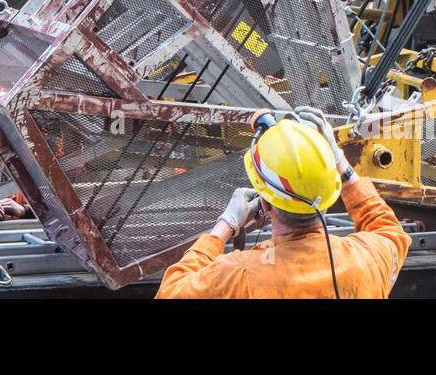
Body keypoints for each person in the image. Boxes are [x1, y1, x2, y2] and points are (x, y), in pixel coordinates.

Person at [156, 107, 410, 299]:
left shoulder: (238, 276)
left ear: (265, 204)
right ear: (328, 197)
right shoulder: (369, 258)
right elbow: (389, 230)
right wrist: (338, 158)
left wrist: (225, 225)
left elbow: (170, 292)